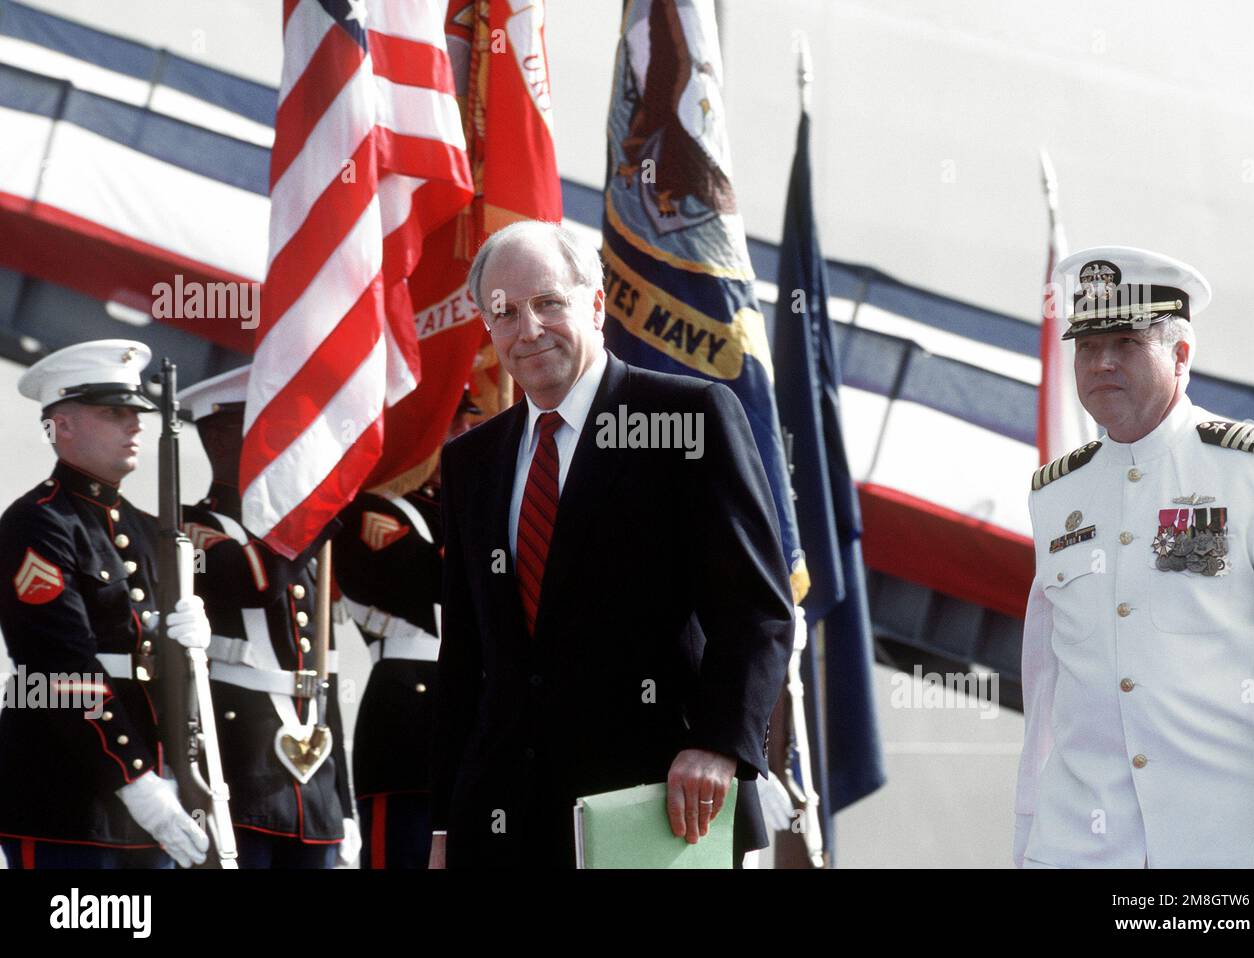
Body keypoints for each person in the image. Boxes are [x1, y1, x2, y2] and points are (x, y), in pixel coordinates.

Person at [429, 220, 795, 868]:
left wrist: (719, 745)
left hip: (654, 815)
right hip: (501, 825)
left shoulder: (687, 419)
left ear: (595, 305)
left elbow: (757, 610)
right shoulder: (471, 463)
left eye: (548, 303)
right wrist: (443, 829)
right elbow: (464, 663)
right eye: (505, 313)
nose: (528, 330)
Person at [1014, 246, 1254, 868]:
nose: (1103, 362)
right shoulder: (1056, 493)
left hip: (1221, 844)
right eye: (1088, 346)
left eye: (1127, 341)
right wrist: (1029, 822)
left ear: (1182, 354)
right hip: (1080, 844)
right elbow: (1046, 682)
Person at [0, 340, 213, 868]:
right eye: (113, 413)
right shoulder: (39, 523)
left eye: (136, 412)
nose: (135, 425)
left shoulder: (146, 528)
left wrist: (182, 638)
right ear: (62, 426)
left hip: (152, 787)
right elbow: (59, 667)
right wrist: (137, 781)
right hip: (66, 794)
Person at [177, 366, 359, 868]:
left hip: (313, 781)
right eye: (267, 429)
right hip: (244, 768)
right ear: (218, 437)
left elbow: (324, 676)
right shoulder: (192, 526)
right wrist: (313, 514)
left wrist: (343, 807)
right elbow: (258, 583)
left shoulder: (297, 540)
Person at [334, 390, 481, 869]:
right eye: (451, 425)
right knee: (403, 852)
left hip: (476, 706)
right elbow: (438, 578)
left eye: (467, 424)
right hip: (409, 712)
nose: (465, 435)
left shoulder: (457, 510)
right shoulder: (374, 512)